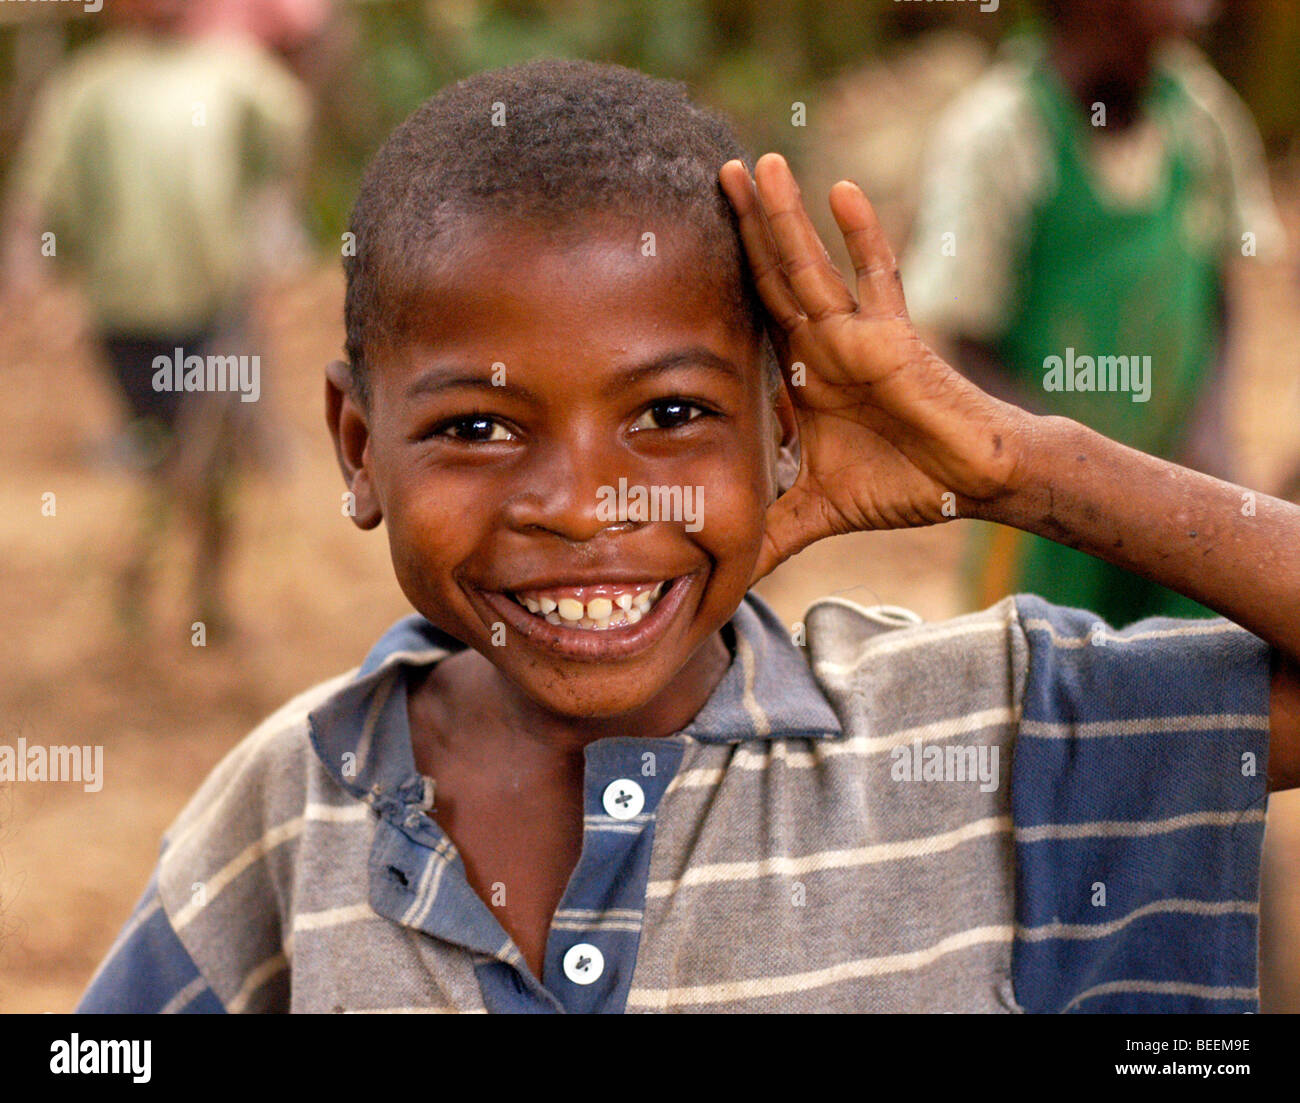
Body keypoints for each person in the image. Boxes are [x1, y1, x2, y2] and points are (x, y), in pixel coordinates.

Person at [75, 60, 1300, 1014]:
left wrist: (1022, 462)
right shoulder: (294, 801)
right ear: (357, 443)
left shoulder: (978, 734)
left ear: (779, 425)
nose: (584, 501)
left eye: (669, 414)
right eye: (481, 425)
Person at [901, 0, 1286, 626]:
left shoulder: (1198, 114)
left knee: (1183, 678)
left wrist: (1210, 428)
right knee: (1041, 687)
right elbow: (964, 338)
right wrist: (1065, 468)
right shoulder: (1001, 132)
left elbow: (1218, 285)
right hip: (1040, 517)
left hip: (1182, 492)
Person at [1, 0, 311, 635]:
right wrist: (27, 268)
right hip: (124, 313)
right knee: (168, 456)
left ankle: (200, 594)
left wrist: (273, 231)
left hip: (215, 305)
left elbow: (284, 137)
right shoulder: (88, 86)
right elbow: (41, 186)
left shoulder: (235, 71)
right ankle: (148, 576)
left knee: (207, 456)